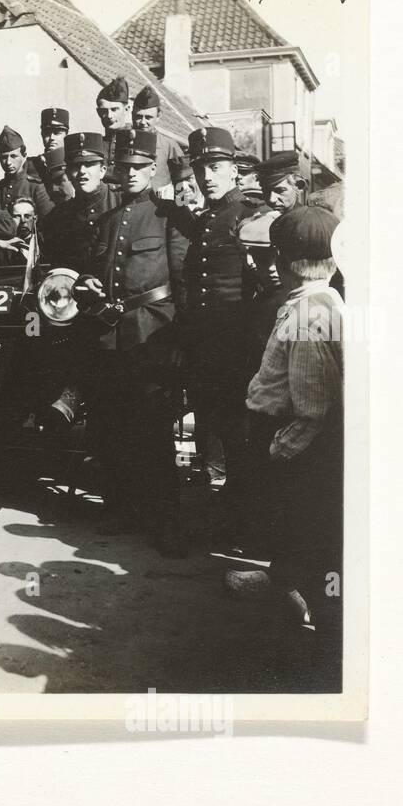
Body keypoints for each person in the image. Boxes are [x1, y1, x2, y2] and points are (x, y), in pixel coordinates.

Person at [228, 205, 343, 664]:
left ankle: (318, 629)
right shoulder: (321, 300)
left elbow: (313, 406)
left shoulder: (307, 315)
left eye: (269, 254)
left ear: (285, 259)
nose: (262, 262)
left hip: (294, 444)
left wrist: (278, 450)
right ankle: (286, 584)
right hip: (295, 441)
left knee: (302, 528)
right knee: (295, 530)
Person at [167, 125, 279, 547]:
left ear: (234, 170)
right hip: (205, 346)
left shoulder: (250, 215)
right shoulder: (208, 220)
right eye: (202, 169)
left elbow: (265, 287)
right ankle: (233, 515)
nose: (207, 177)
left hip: (236, 348)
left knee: (240, 437)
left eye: (216, 167)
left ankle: (249, 523)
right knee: (218, 432)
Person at [82, 129, 184, 555]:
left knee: (154, 429)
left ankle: (165, 519)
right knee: (113, 425)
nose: (129, 175)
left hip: (154, 332)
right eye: (123, 169)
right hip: (111, 335)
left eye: (138, 168)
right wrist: (88, 283)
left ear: (151, 169)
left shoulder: (168, 217)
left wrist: (178, 338)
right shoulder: (107, 221)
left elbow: (181, 281)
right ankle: (121, 507)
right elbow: (96, 271)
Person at [43, 131, 120, 271]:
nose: (82, 171)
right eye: (75, 166)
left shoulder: (121, 202)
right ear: (68, 173)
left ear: (102, 170)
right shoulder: (59, 216)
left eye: (89, 164)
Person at [131, 85, 183, 193]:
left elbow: (182, 179)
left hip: (161, 205)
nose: (143, 122)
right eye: (138, 117)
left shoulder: (169, 145)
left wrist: (183, 206)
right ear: (132, 115)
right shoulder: (124, 141)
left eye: (148, 117)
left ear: (158, 117)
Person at [0, 125, 54, 217]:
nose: (8, 162)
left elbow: (48, 220)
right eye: (4, 157)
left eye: (13, 156)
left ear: (24, 155)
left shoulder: (36, 187)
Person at [96, 76, 132, 170]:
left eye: (114, 109)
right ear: (98, 112)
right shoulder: (96, 145)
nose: (109, 116)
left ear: (127, 109)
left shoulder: (139, 141)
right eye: (104, 111)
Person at [27, 106, 70, 181]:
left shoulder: (73, 165)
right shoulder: (30, 166)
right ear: (42, 134)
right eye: (47, 133)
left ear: (66, 135)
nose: (52, 137)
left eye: (57, 133)